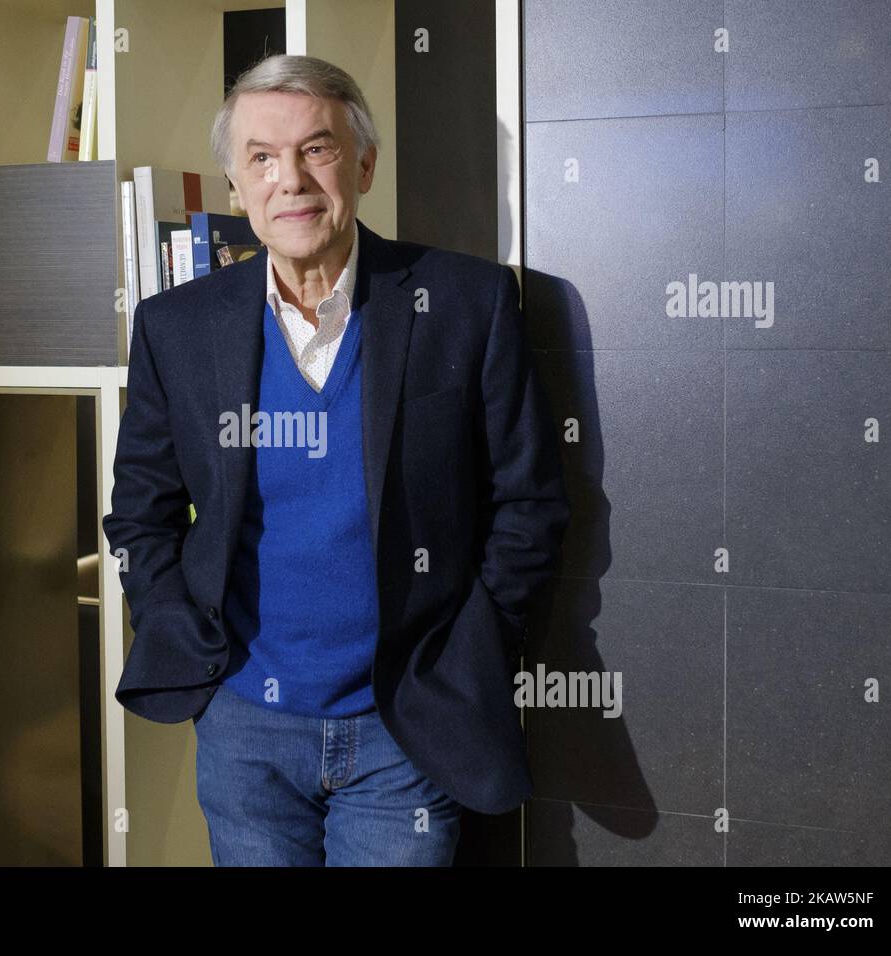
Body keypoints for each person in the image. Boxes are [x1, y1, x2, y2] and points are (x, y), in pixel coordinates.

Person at [103, 53, 570, 866]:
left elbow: (529, 501)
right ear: (234, 185)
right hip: (244, 727)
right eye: (261, 158)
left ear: (363, 163)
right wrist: (186, 639)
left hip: (406, 724)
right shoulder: (173, 327)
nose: (291, 180)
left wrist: (475, 643)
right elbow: (139, 512)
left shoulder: (467, 302)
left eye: (316, 149)